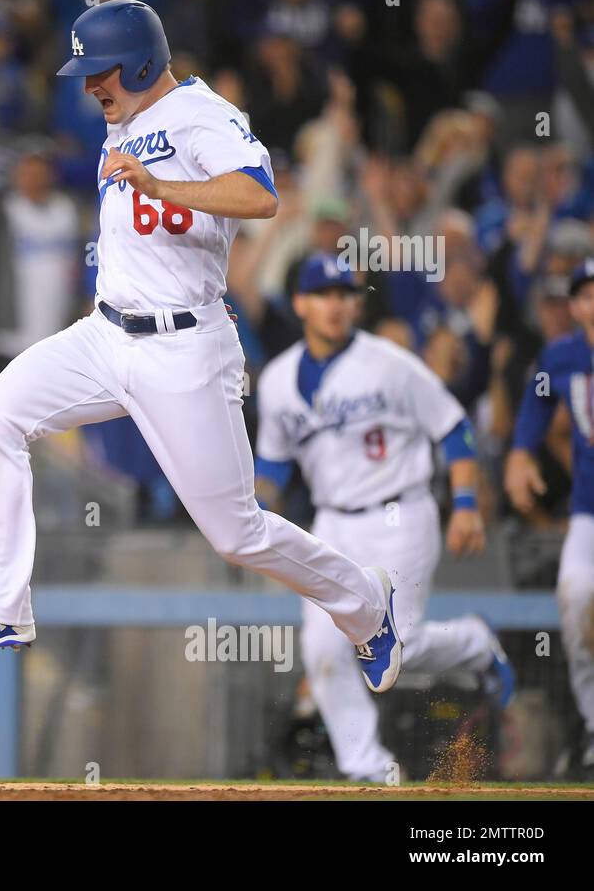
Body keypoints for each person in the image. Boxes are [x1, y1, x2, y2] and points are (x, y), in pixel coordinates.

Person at [0, 0, 402, 699]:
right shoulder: (127, 119)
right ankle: (2, 608)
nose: (90, 87)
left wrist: (160, 183)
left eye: (101, 72)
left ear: (143, 62)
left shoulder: (203, 114)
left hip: (184, 346)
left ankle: (363, 599)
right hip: (107, 331)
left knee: (237, 534)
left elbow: (260, 195)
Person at [254, 254, 514, 783]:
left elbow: (455, 427)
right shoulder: (278, 380)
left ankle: (474, 643)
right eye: (323, 294)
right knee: (324, 650)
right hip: (331, 522)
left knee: (402, 646)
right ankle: (369, 770)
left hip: (400, 512)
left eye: (344, 294)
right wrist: (252, 516)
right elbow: (273, 467)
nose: (335, 304)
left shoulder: (389, 363)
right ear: (301, 303)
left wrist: (465, 505)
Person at [505, 258, 594, 780]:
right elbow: (537, 403)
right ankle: (591, 725)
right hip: (587, 511)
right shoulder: (562, 355)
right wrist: (520, 454)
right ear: (576, 305)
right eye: (585, 295)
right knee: (576, 598)